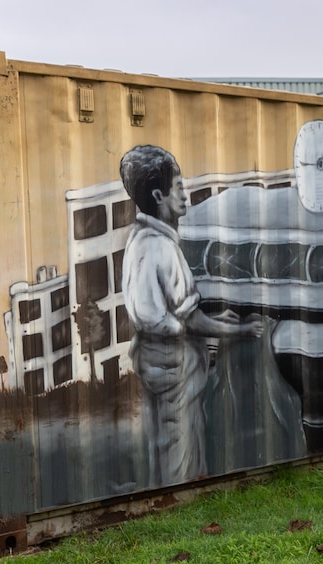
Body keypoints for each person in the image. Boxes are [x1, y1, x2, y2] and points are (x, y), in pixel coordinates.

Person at [119, 145, 265, 487]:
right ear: (159, 195)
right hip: (174, 364)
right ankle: (180, 504)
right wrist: (242, 328)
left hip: (152, 359)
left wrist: (216, 321)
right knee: (181, 451)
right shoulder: (163, 248)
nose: (186, 195)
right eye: (179, 187)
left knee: (163, 444)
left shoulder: (138, 240)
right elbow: (190, 321)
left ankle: (168, 499)